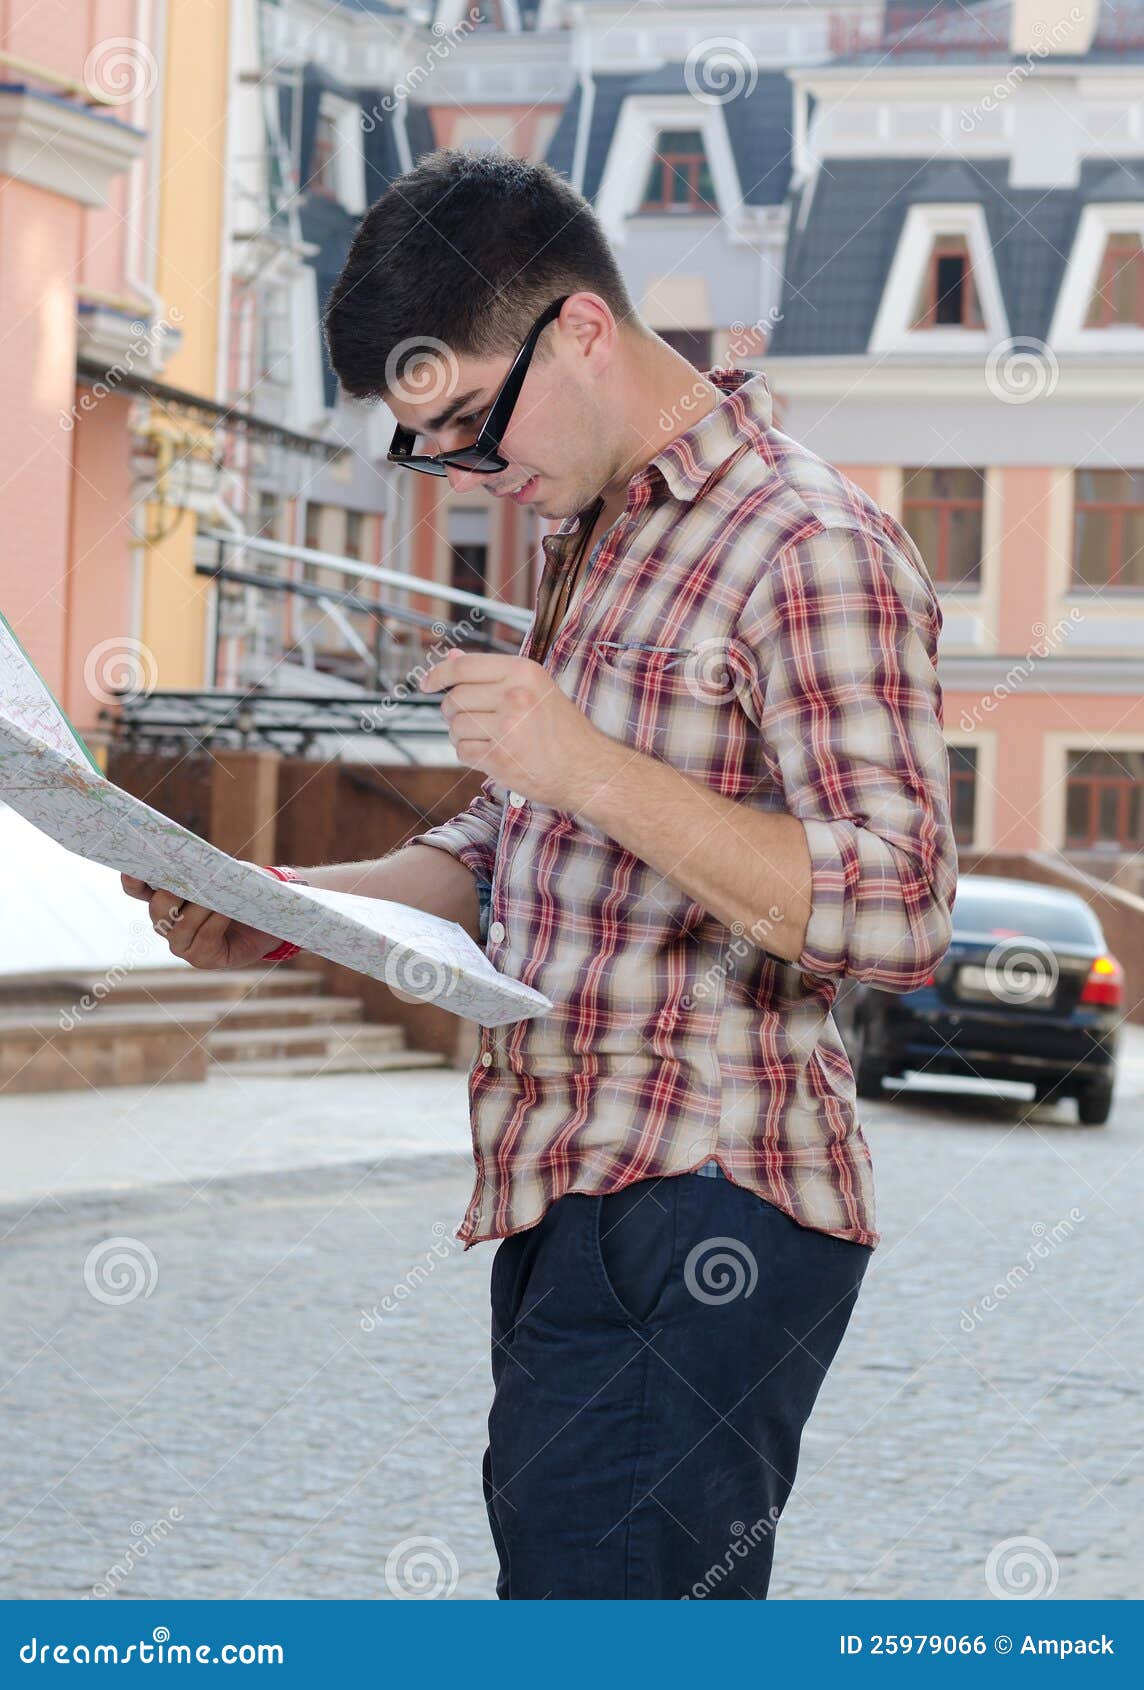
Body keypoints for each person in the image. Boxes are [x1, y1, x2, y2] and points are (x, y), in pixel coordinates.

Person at [124, 149, 956, 1599]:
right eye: (426, 440)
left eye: (469, 422)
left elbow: (901, 904)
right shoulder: (598, 536)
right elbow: (514, 842)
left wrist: (588, 765)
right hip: (574, 1190)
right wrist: (284, 907)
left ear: (578, 328)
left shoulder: (807, 544)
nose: (468, 469)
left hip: (709, 1202)